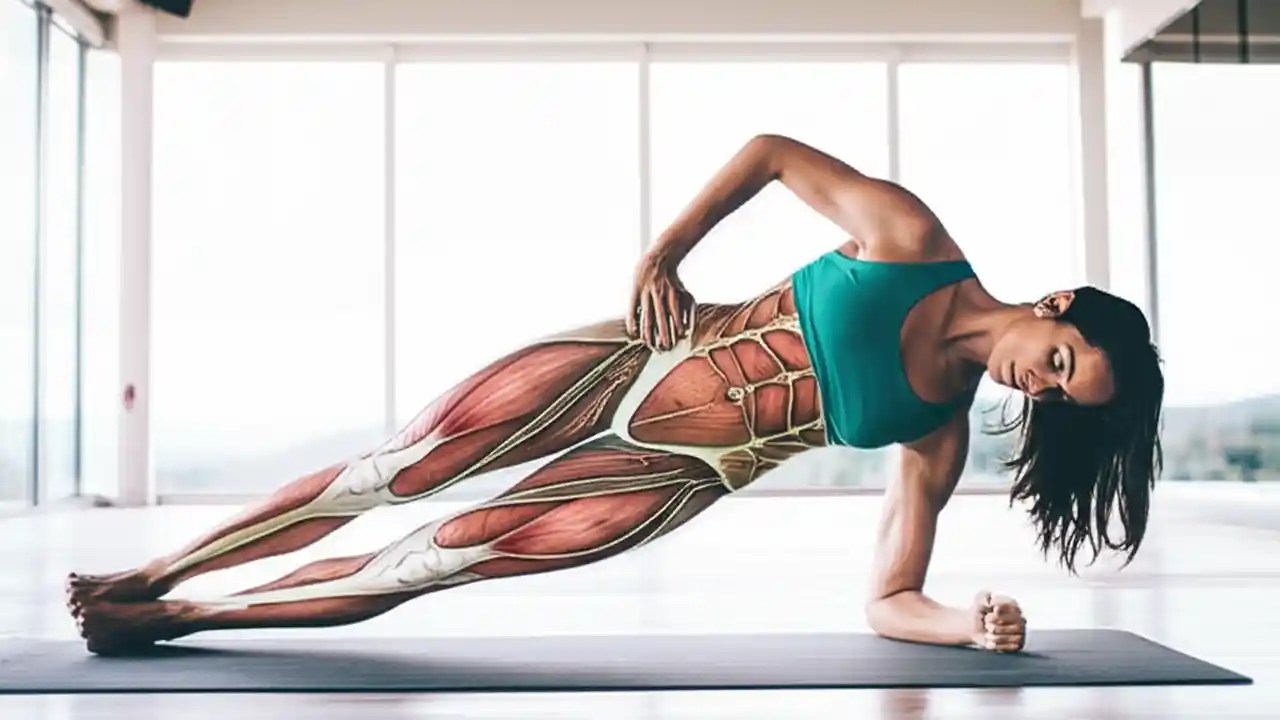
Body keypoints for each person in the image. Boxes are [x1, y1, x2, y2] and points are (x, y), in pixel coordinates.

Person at [66, 133, 1163, 656]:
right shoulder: (910, 238)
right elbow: (773, 153)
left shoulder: (934, 433)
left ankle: (177, 618)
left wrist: (965, 626)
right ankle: (155, 566)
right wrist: (661, 257)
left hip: (672, 475)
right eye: (1061, 362)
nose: (1038, 384)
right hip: (629, 360)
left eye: (1058, 399)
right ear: (1054, 304)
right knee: (389, 476)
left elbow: (886, 599)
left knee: (434, 559)